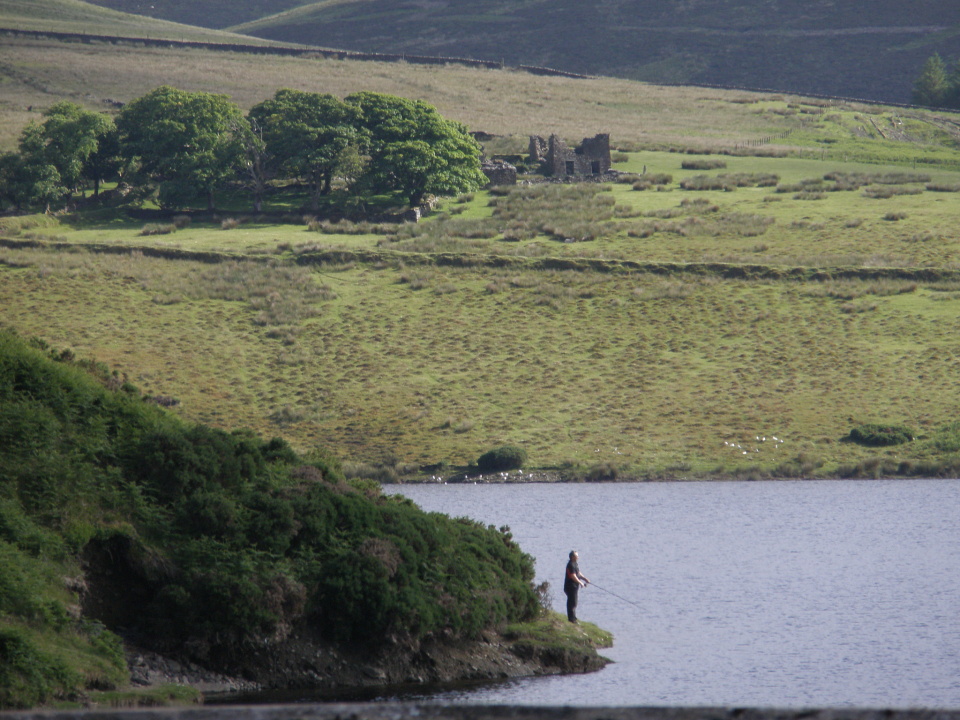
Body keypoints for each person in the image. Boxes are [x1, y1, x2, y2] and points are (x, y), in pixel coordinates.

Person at [563, 549, 589, 623]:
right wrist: (581, 583)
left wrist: (584, 579)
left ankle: (573, 617)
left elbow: (578, 573)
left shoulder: (575, 564)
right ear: (572, 557)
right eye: (577, 556)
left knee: (574, 602)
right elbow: (573, 576)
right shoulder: (570, 565)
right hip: (570, 586)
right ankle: (571, 619)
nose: (578, 557)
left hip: (574, 586)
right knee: (572, 602)